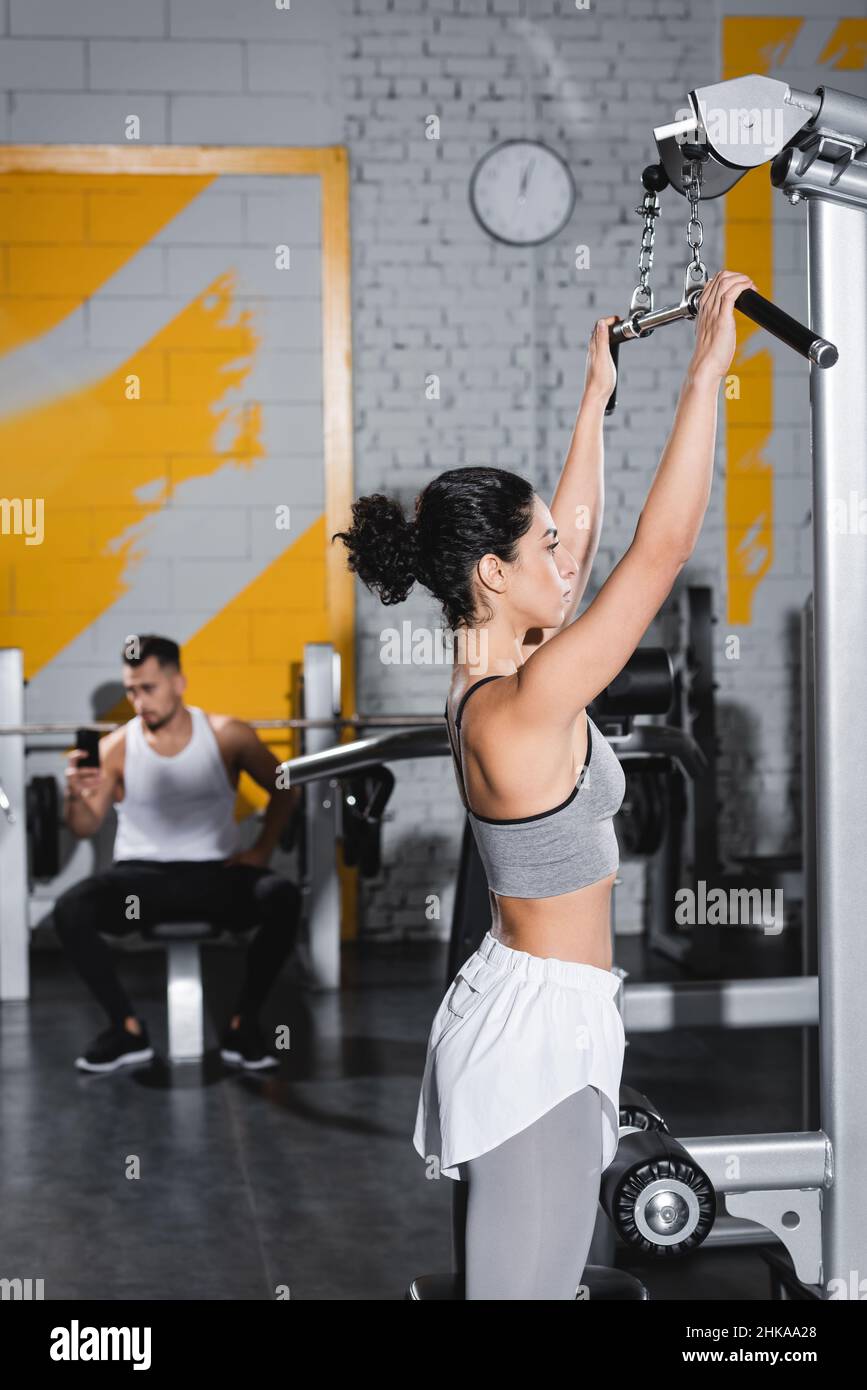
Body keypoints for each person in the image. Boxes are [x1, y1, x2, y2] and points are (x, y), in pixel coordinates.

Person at [334, 270, 753, 1298]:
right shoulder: (523, 705)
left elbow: (583, 531)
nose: (565, 556)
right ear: (493, 574)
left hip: (537, 1008)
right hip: (535, 1039)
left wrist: (594, 396)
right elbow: (656, 558)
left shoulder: (495, 677)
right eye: (543, 551)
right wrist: (706, 374)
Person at [54, 635, 303, 1073]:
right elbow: (83, 826)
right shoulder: (115, 747)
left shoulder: (228, 735)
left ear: (178, 682)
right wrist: (76, 795)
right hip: (139, 884)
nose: (138, 701)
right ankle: (126, 1029)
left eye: (148, 688)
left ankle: (243, 1024)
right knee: (71, 908)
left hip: (217, 879)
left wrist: (262, 850)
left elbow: (285, 788)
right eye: (131, 690)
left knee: (281, 895)